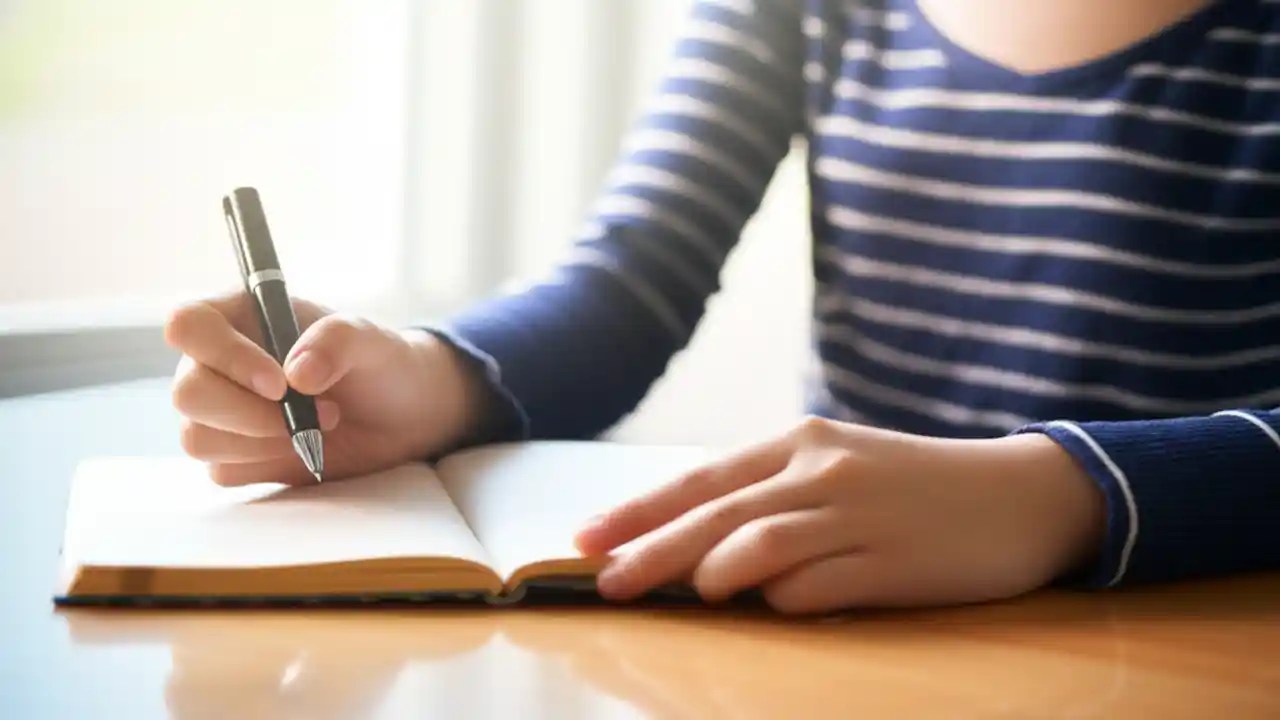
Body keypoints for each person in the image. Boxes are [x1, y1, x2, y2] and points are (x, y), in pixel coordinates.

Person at [162, 0, 1280, 614]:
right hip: (835, 624)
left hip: (1179, 641)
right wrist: (426, 379)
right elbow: (627, 284)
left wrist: (1059, 495)